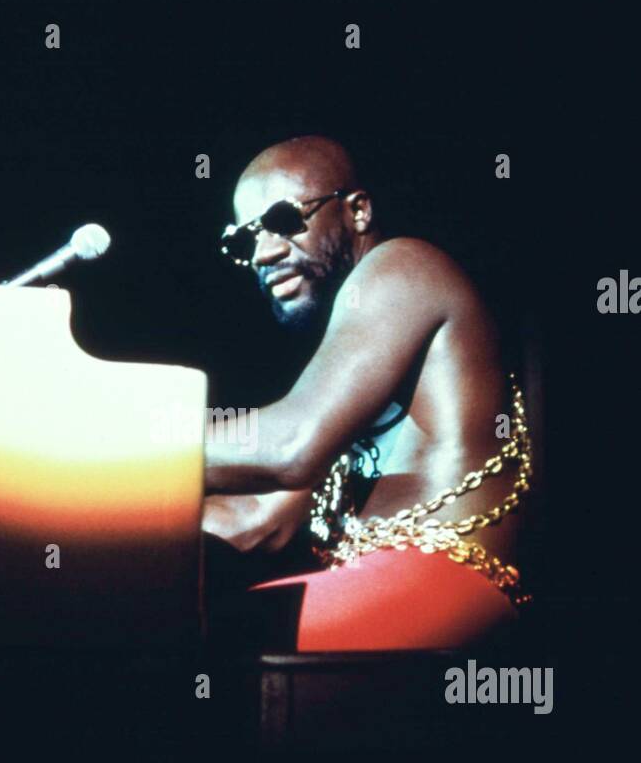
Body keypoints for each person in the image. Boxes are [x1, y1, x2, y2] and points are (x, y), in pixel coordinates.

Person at [203, 135, 533, 650]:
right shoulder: (358, 350)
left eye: (285, 220)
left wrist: (118, 440)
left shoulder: (402, 266)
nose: (264, 251)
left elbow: (289, 443)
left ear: (358, 210)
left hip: (444, 585)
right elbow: (257, 520)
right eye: (244, 241)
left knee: (195, 636)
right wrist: (89, 509)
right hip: (379, 587)